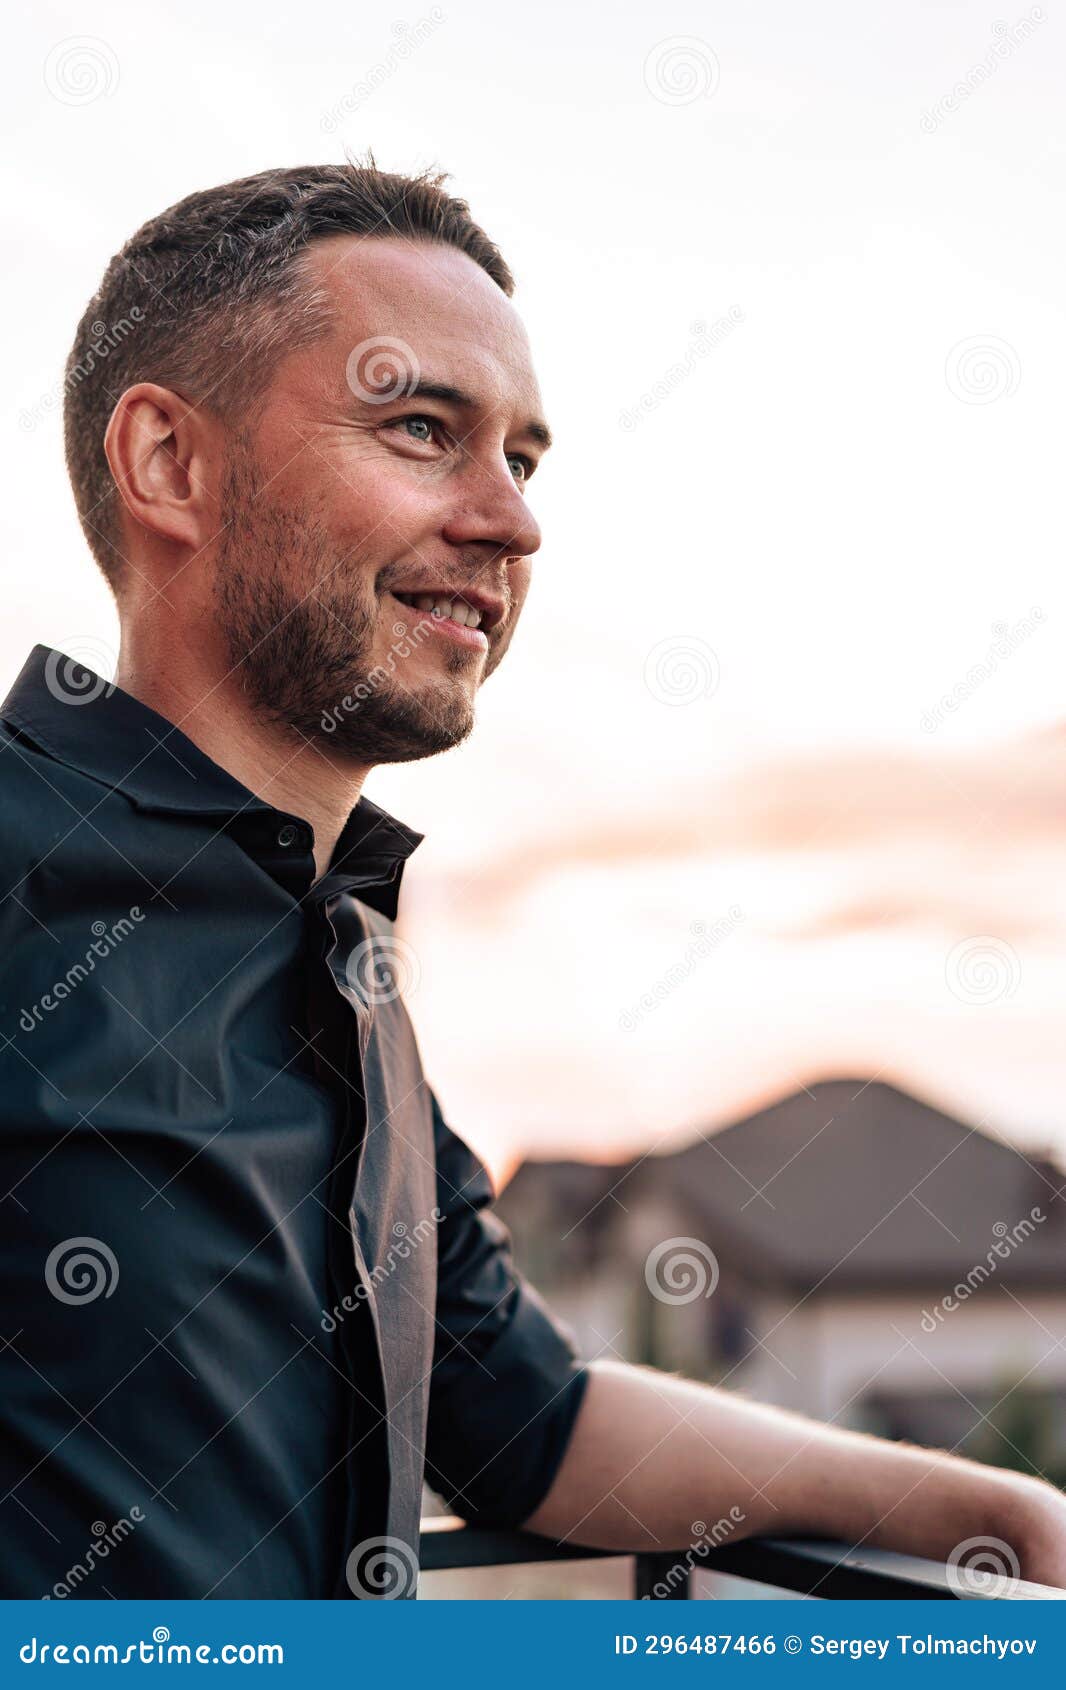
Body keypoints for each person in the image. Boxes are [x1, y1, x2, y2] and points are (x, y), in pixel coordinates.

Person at [2, 159, 1063, 1601]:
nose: (510, 520)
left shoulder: (335, 946)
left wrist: (984, 1504)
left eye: (524, 458)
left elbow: (516, 1417)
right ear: (170, 465)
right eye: (421, 428)